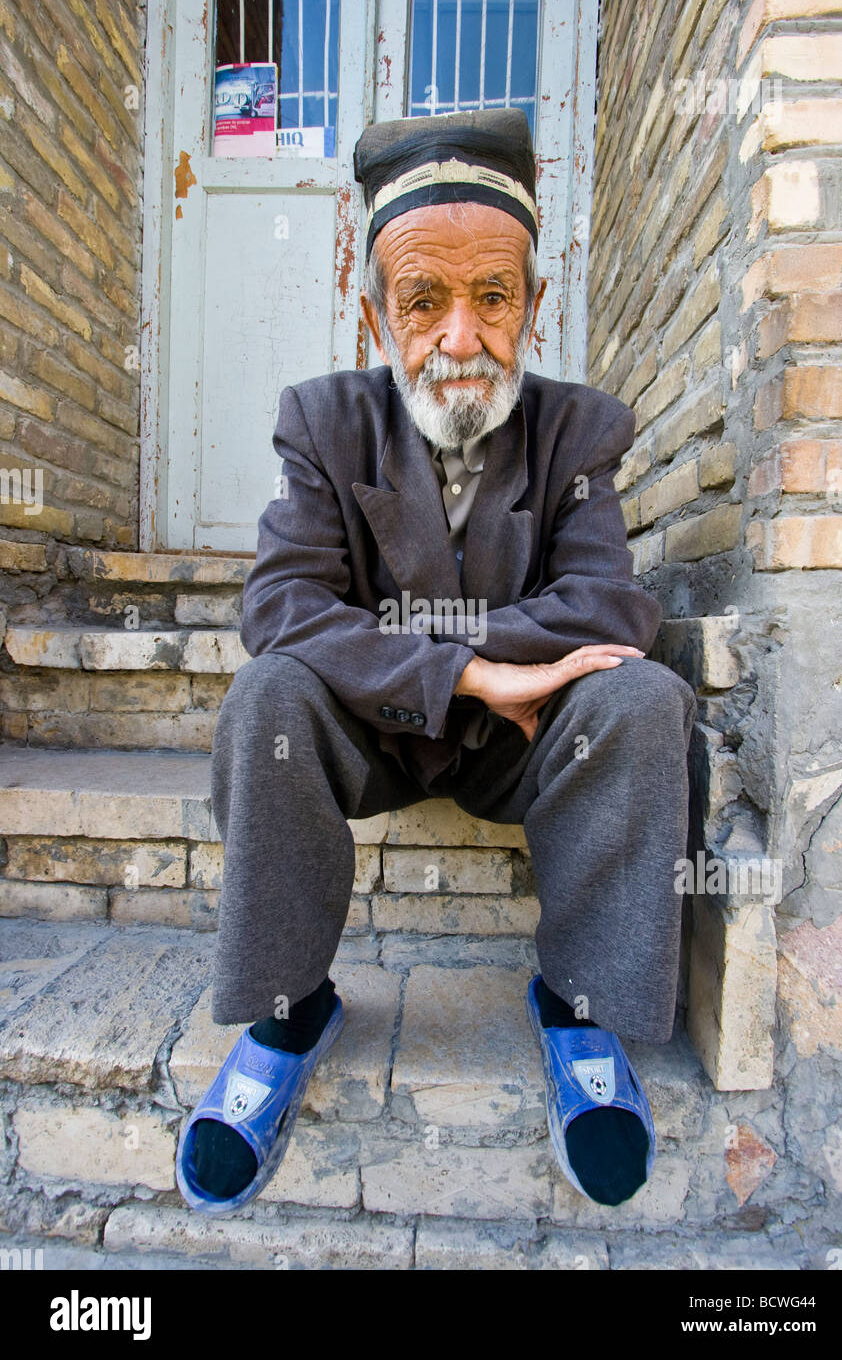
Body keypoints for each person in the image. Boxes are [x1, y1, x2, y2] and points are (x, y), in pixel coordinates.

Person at [175, 109, 697, 1217]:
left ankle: (577, 1002)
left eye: (492, 298)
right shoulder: (322, 423)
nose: (460, 338)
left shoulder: (578, 432)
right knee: (268, 692)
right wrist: (466, 673)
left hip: (520, 747)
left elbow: (608, 603)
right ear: (374, 314)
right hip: (373, 734)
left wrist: (461, 663)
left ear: (532, 304)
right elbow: (279, 604)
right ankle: (291, 1008)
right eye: (422, 302)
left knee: (646, 699)